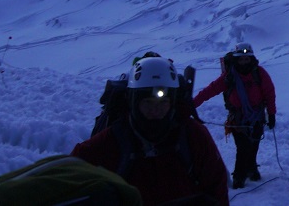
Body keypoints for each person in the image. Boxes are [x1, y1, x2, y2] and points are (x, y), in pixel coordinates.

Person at [72, 56, 229, 206]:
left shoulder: (192, 135)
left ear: (173, 102)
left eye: (163, 103)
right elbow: (71, 169)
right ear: (134, 101)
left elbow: (217, 185)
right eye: (148, 102)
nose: (156, 110)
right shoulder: (115, 140)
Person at [193, 43, 277, 188]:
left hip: (257, 116)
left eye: (247, 59)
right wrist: (192, 105)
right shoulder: (229, 76)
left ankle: (251, 168)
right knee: (243, 146)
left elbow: (269, 93)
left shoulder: (259, 73)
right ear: (236, 59)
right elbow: (210, 90)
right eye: (241, 59)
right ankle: (239, 176)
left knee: (254, 143)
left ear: (251, 59)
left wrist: (271, 113)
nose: (244, 62)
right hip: (238, 119)